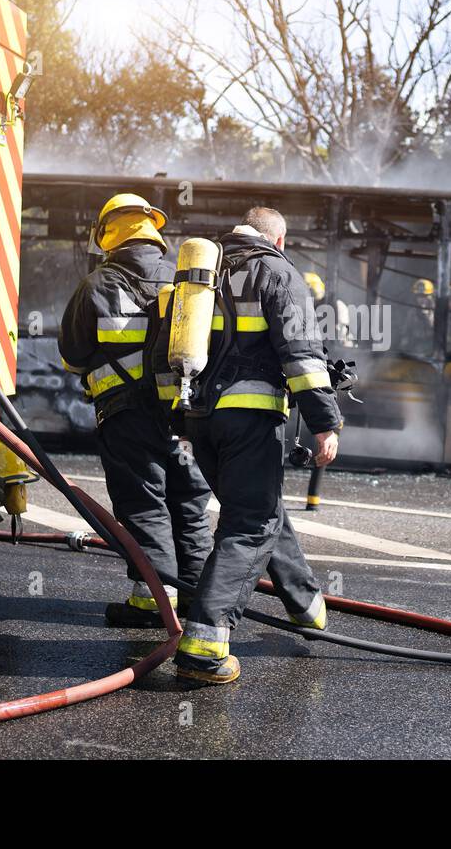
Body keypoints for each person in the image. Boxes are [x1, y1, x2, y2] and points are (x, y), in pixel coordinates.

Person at [162, 206, 342, 685]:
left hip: (201, 422)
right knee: (250, 522)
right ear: (276, 238)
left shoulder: (199, 273)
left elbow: (168, 348)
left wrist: (178, 418)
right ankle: (204, 641)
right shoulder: (278, 272)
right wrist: (326, 424)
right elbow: (302, 358)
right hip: (251, 420)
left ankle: (306, 606)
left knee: (257, 509)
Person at [58, 193, 212, 627]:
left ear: (107, 234)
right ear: (153, 230)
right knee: (189, 504)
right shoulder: (187, 282)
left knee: (145, 505)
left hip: (127, 417)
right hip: (185, 417)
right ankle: (199, 600)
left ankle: (152, 603)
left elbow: (72, 355)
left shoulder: (97, 285)